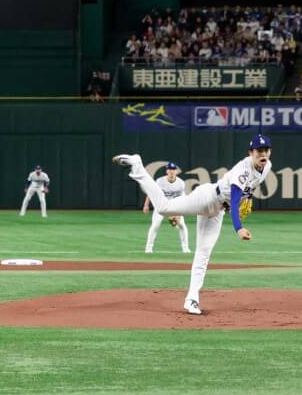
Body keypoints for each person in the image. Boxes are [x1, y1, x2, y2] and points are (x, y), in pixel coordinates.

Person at [112, 134, 273, 315]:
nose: (263, 154)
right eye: (259, 150)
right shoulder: (243, 170)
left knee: (203, 253)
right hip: (208, 197)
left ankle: (192, 299)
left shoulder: (267, 167)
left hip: (218, 211)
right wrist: (239, 227)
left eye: (266, 150)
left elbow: (249, 188)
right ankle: (137, 165)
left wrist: (249, 197)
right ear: (251, 152)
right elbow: (235, 200)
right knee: (164, 208)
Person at [142, 162, 190, 254]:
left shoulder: (180, 183)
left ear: (176, 171)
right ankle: (148, 248)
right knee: (155, 225)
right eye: (170, 169)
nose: (171, 171)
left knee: (182, 225)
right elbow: (151, 192)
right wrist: (146, 205)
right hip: (161, 206)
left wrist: (179, 213)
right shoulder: (160, 181)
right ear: (167, 171)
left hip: (174, 206)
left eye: (173, 169)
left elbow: (183, 199)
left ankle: (185, 248)